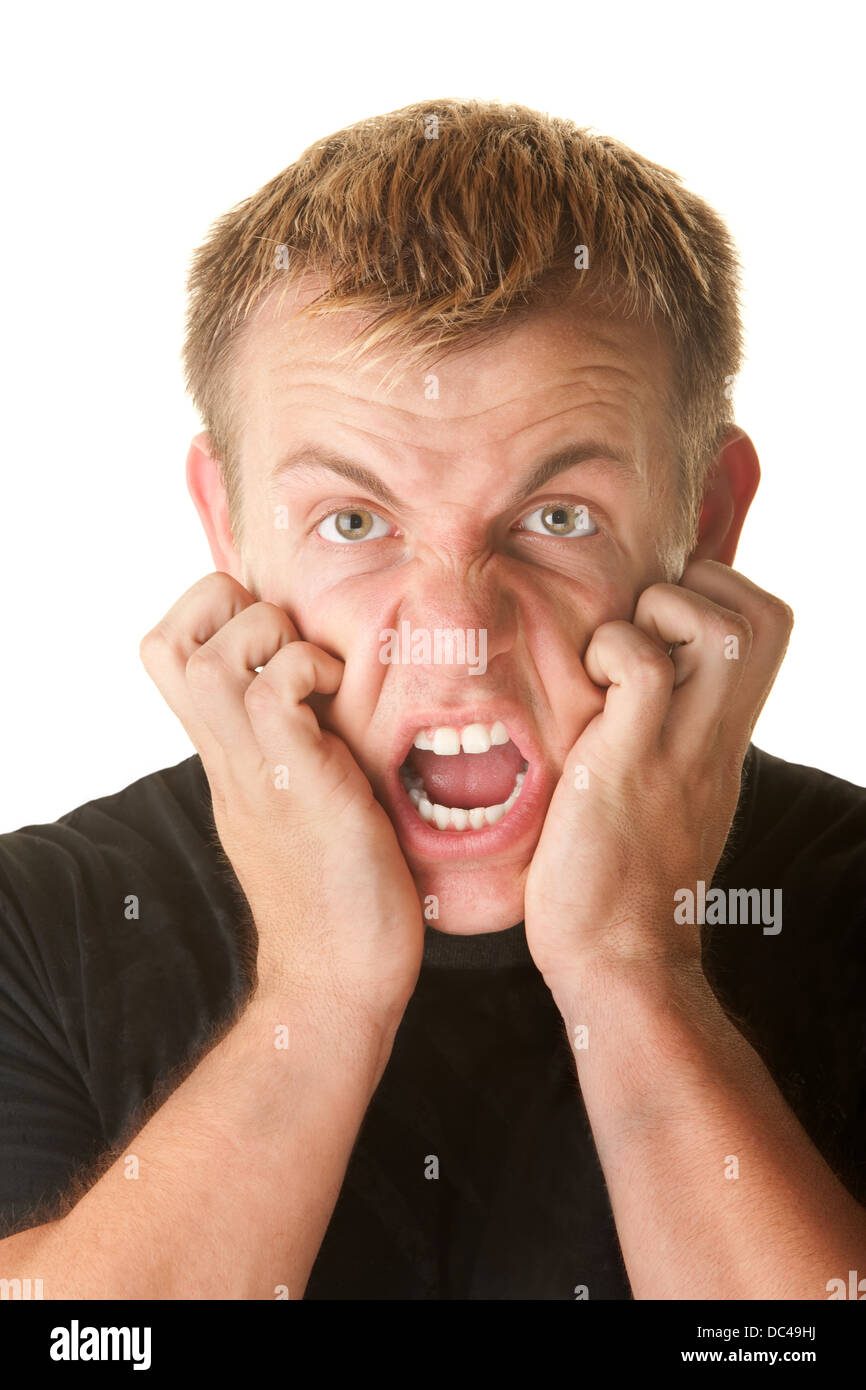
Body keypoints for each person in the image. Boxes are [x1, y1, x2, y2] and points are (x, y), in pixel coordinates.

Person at [1, 97, 864, 1302]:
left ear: (704, 519)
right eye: (354, 522)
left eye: (554, 519)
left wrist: (629, 970)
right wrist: (318, 989)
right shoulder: (36, 921)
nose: (456, 635)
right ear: (228, 525)